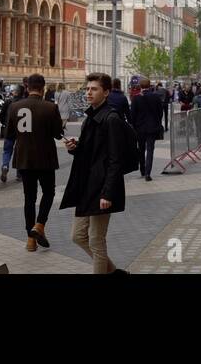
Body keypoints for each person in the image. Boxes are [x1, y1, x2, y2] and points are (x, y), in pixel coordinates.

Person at [61, 72, 128, 274]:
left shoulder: (111, 119)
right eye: (87, 89)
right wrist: (76, 148)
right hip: (86, 186)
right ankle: (114, 272)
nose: (89, 92)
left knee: (97, 240)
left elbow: (115, 160)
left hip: (101, 188)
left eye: (94, 89)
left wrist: (108, 193)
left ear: (106, 92)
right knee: (78, 236)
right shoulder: (89, 118)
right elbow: (92, 153)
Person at [7, 73, 64, 251]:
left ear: (27, 87)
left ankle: (30, 240)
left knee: (29, 198)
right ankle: (39, 225)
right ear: (43, 88)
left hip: (24, 158)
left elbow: (9, 134)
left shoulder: (15, 106)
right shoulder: (50, 108)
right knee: (48, 193)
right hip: (45, 158)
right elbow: (57, 134)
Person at [131, 78, 164, 181]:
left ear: (140, 86)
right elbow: (160, 112)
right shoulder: (156, 97)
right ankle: (148, 173)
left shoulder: (136, 99)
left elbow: (133, 115)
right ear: (150, 86)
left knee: (141, 149)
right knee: (150, 150)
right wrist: (157, 123)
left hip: (140, 128)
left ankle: (142, 170)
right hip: (152, 128)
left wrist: (135, 126)